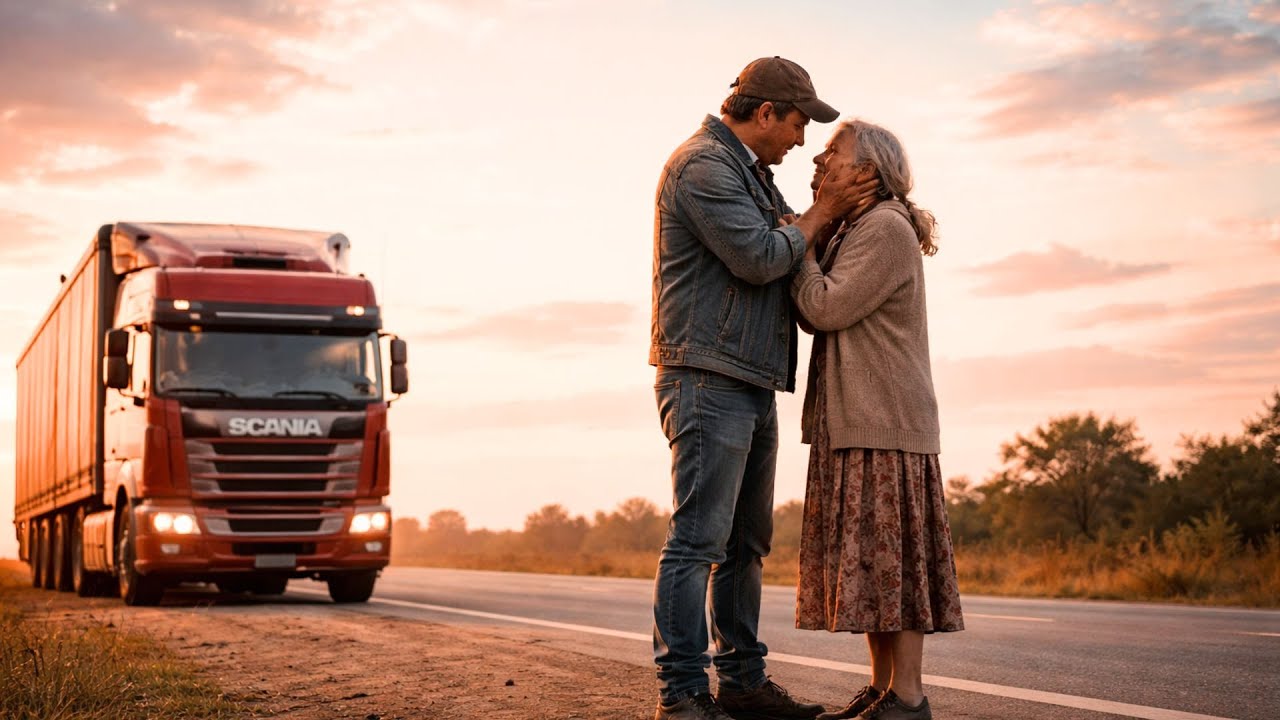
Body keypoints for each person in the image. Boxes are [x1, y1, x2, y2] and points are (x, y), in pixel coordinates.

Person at [649, 57, 878, 720]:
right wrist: (825, 209)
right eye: (799, 122)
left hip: (748, 378)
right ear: (767, 112)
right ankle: (683, 697)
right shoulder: (702, 167)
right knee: (698, 540)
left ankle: (743, 686)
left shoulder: (752, 176)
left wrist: (834, 219)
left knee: (746, 544)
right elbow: (762, 258)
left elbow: (795, 247)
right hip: (707, 376)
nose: (802, 140)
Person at [790, 120, 964, 720]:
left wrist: (802, 243)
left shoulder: (885, 229)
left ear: (868, 171)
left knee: (893, 568)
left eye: (834, 152)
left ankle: (908, 698)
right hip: (860, 422)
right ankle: (883, 690)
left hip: (884, 423)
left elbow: (823, 306)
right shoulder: (857, 229)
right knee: (871, 565)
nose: (820, 159)